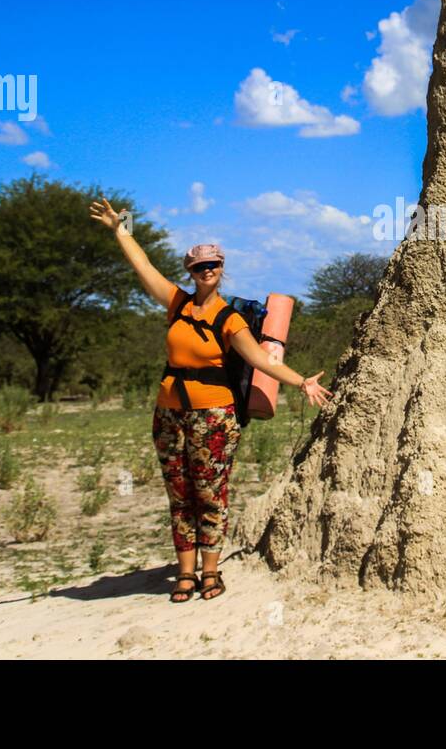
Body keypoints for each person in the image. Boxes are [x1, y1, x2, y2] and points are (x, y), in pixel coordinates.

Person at [89, 197, 332, 602]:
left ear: (222, 270)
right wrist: (119, 229)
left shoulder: (229, 319)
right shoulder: (176, 304)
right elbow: (143, 267)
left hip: (214, 417)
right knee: (179, 492)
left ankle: (210, 571)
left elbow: (259, 358)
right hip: (169, 413)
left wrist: (300, 381)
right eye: (200, 267)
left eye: (214, 265)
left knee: (210, 492)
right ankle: (184, 573)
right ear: (190, 272)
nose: (207, 271)